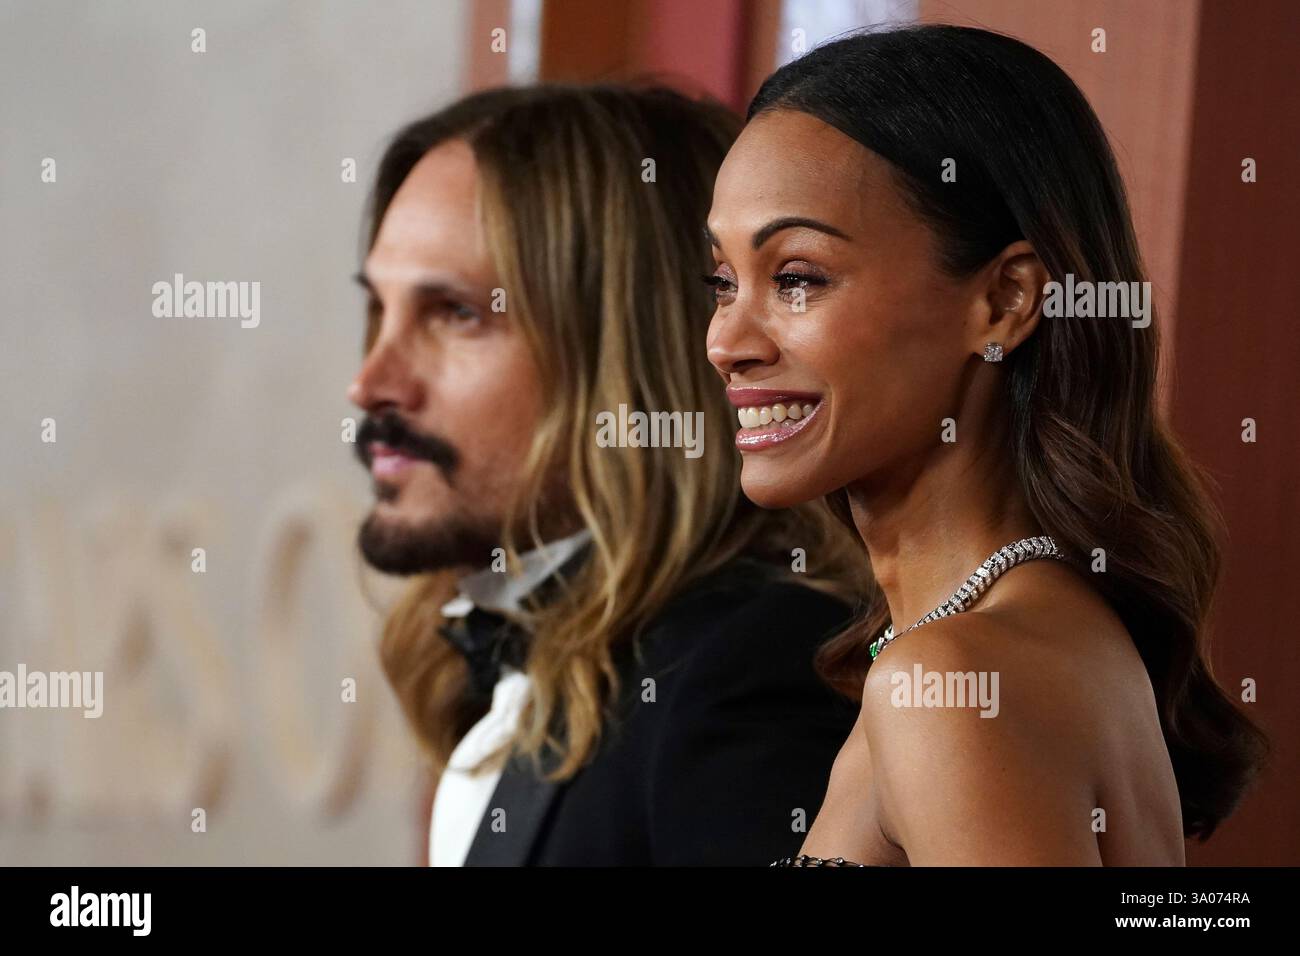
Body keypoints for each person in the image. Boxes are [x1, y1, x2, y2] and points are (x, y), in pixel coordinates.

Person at [704, 25, 1269, 866]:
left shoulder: (952, 684)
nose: (726, 342)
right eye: (722, 282)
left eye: (797, 278)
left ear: (1005, 301)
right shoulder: (997, 640)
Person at [347, 83, 867, 865]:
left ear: (632, 355)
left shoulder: (746, 673)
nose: (371, 384)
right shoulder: (534, 655)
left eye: (455, 314)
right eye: (378, 312)